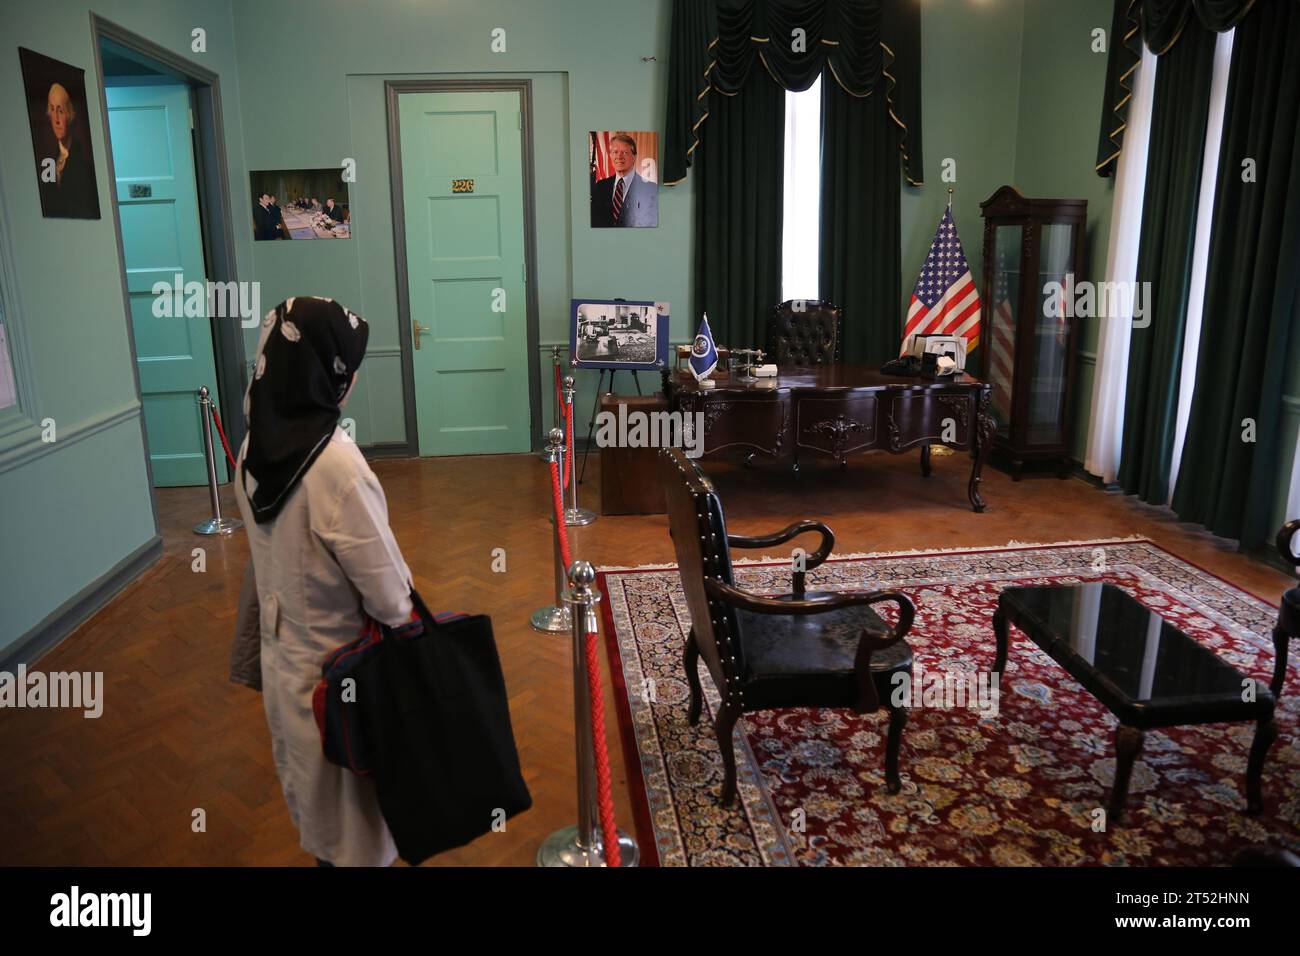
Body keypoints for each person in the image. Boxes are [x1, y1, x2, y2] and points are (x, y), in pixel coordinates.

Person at [234, 296, 419, 867]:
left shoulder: (253, 449)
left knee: (325, 833)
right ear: (331, 373)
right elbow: (391, 600)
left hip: (287, 667)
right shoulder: (336, 468)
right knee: (357, 839)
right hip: (344, 683)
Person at [36, 82, 98, 218]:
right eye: (52, 109)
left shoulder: (84, 161)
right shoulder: (49, 162)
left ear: (70, 116)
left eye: (61, 111)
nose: (56, 120)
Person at [590, 132, 657, 228]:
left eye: (625, 152)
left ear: (634, 157)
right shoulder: (600, 186)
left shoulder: (649, 189)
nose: (619, 157)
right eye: (615, 152)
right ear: (610, 155)